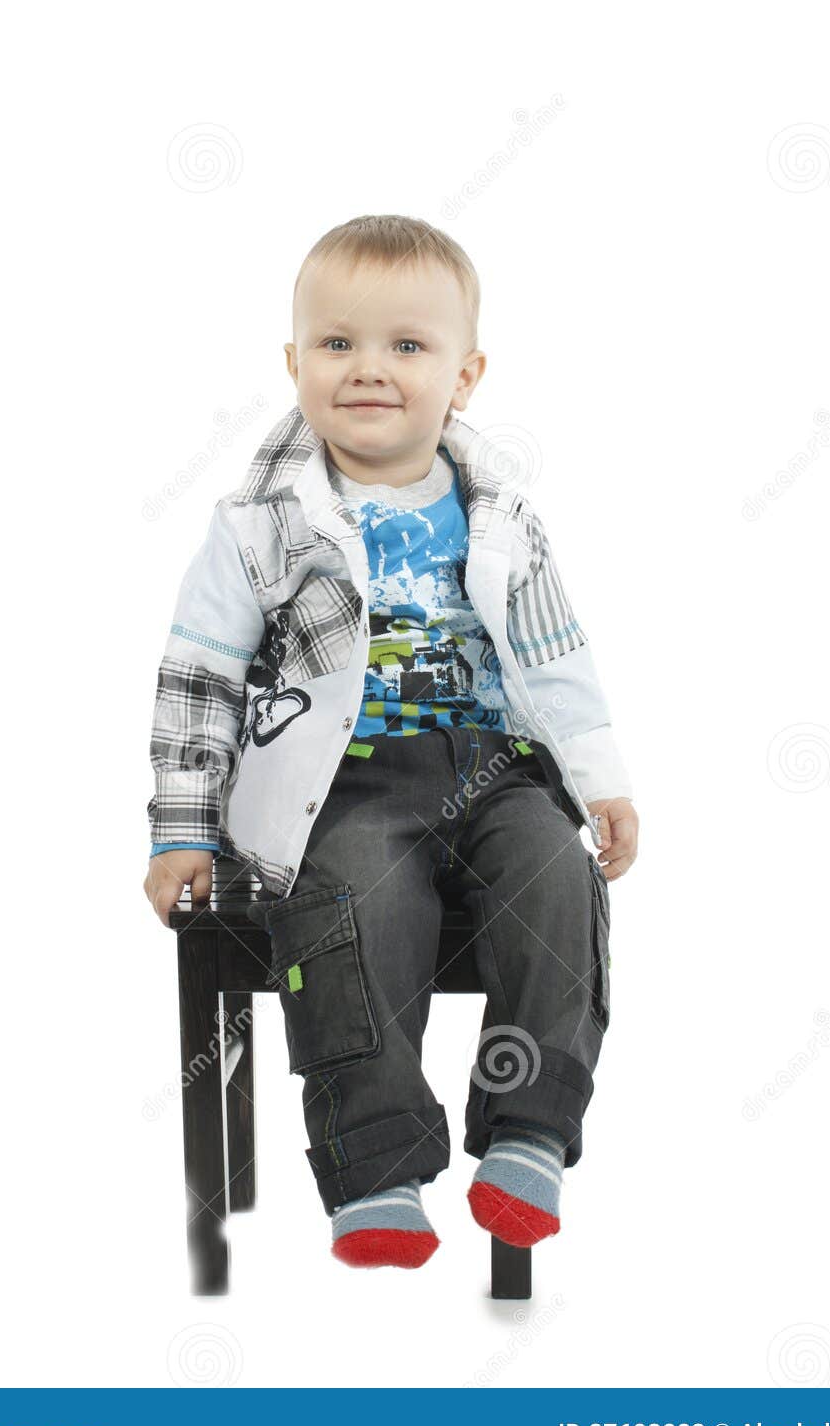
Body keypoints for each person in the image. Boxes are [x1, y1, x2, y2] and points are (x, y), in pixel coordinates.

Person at [144, 213, 639, 1270]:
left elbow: (554, 657)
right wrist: (180, 832)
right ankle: (376, 1172)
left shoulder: (503, 514)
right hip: (342, 785)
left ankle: (528, 1135)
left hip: (494, 772)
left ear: (464, 374)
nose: (368, 369)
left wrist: (598, 782)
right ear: (293, 363)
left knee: (556, 881)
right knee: (353, 909)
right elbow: (199, 681)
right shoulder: (258, 522)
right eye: (337, 344)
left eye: (405, 346)